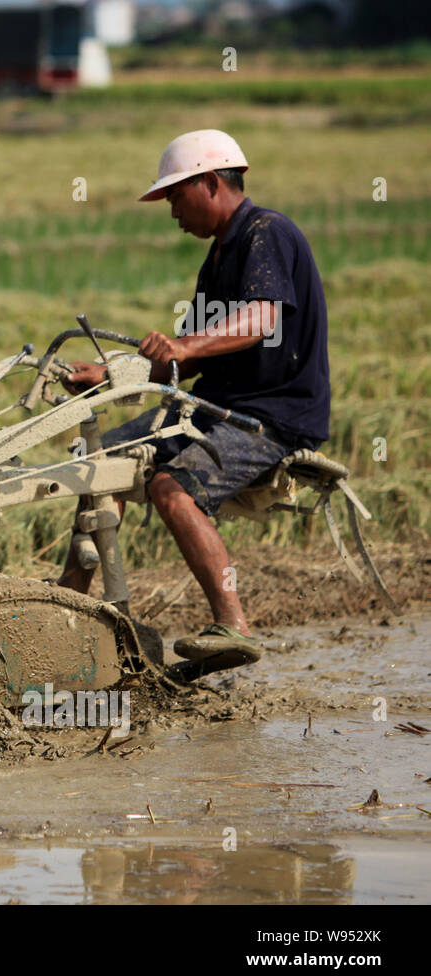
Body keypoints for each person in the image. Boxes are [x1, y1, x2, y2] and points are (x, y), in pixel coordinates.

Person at [58, 129, 330, 670]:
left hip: (270, 416)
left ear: (209, 183)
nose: (173, 212)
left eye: (175, 197)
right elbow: (186, 361)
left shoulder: (266, 233)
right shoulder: (219, 258)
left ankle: (233, 624)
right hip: (213, 406)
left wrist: (183, 345)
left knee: (172, 485)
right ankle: (69, 601)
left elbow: (261, 318)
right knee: (99, 462)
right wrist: (108, 374)